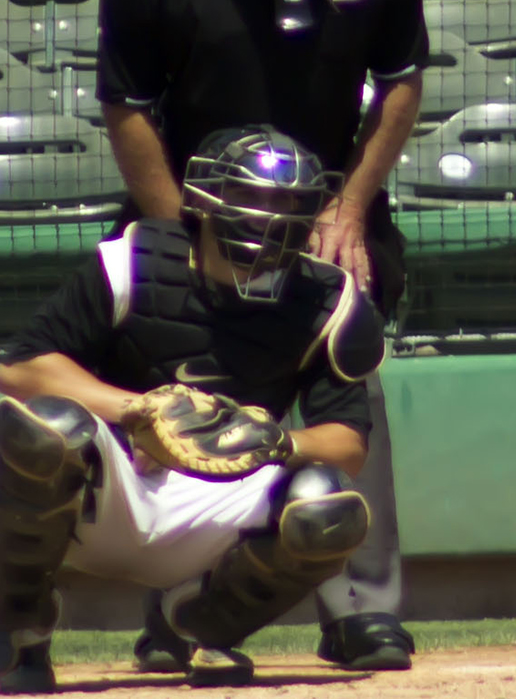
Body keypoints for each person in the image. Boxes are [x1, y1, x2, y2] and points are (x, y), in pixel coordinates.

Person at [95, 0, 426, 672]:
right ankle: (176, 616)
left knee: (347, 378)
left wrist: (351, 208)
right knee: (186, 399)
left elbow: (400, 83)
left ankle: (360, 610)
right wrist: (176, 244)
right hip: (199, 215)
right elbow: (127, 108)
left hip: (323, 216)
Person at [0, 127, 386, 692]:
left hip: (219, 499)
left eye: (288, 202)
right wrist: (139, 410)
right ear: (208, 199)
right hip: (112, 486)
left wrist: (279, 443)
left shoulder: (328, 299)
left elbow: (348, 442)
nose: (272, 217)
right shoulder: (133, 260)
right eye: (255, 197)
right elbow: (19, 370)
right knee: (46, 432)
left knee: (326, 505)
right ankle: (19, 635)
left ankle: (199, 623)